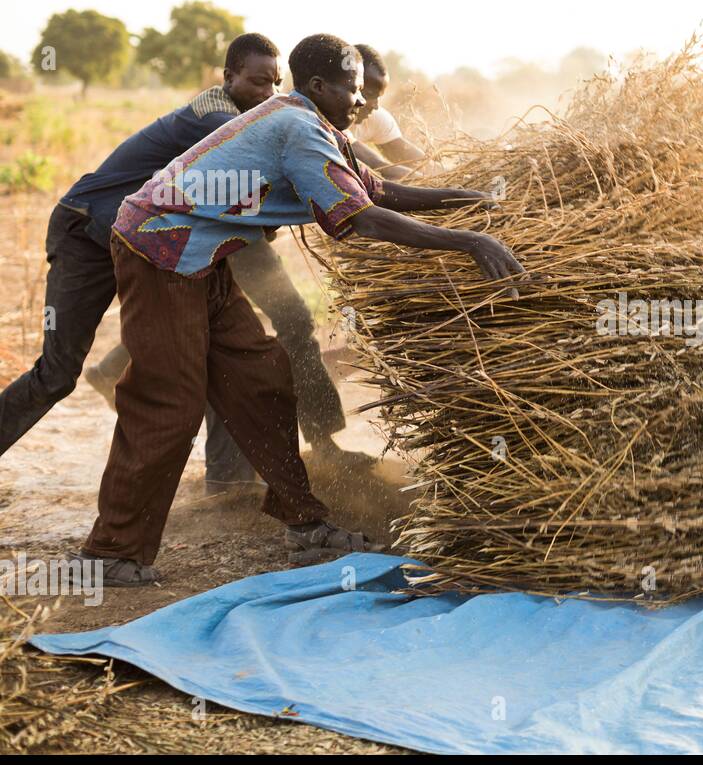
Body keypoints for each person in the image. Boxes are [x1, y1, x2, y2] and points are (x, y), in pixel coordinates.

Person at [77, 33, 525, 587]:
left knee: (262, 378)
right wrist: (470, 243)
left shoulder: (313, 123)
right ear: (317, 86)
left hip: (202, 260)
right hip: (159, 251)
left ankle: (305, 524)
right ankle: (111, 553)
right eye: (353, 90)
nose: (362, 102)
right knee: (169, 402)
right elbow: (363, 219)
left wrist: (467, 198)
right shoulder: (298, 126)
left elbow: (375, 191)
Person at [0, 34, 282, 458]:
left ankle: (226, 478)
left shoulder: (244, 120)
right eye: (259, 82)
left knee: (209, 342)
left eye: (277, 83)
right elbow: (265, 162)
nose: (269, 94)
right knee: (57, 375)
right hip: (87, 233)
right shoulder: (215, 118)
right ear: (228, 78)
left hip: (145, 247)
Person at [347, 44, 428, 180]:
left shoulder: (375, 118)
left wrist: (460, 174)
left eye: (379, 96)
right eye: (369, 94)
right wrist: (431, 184)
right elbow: (379, 167)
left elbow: (416, 161)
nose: (375, 105)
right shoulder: (323, 122)